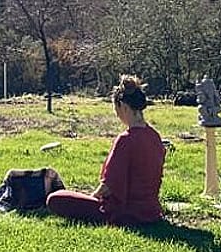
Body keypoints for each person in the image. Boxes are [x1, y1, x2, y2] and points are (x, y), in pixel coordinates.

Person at [46, 75, 165, 225]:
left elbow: (108, 186)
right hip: (151, 210)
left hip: (125, 212)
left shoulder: (126, 140)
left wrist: (92, 197)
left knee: (55, 198)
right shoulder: (155, 136)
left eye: (116, 109)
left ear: (123, 106)